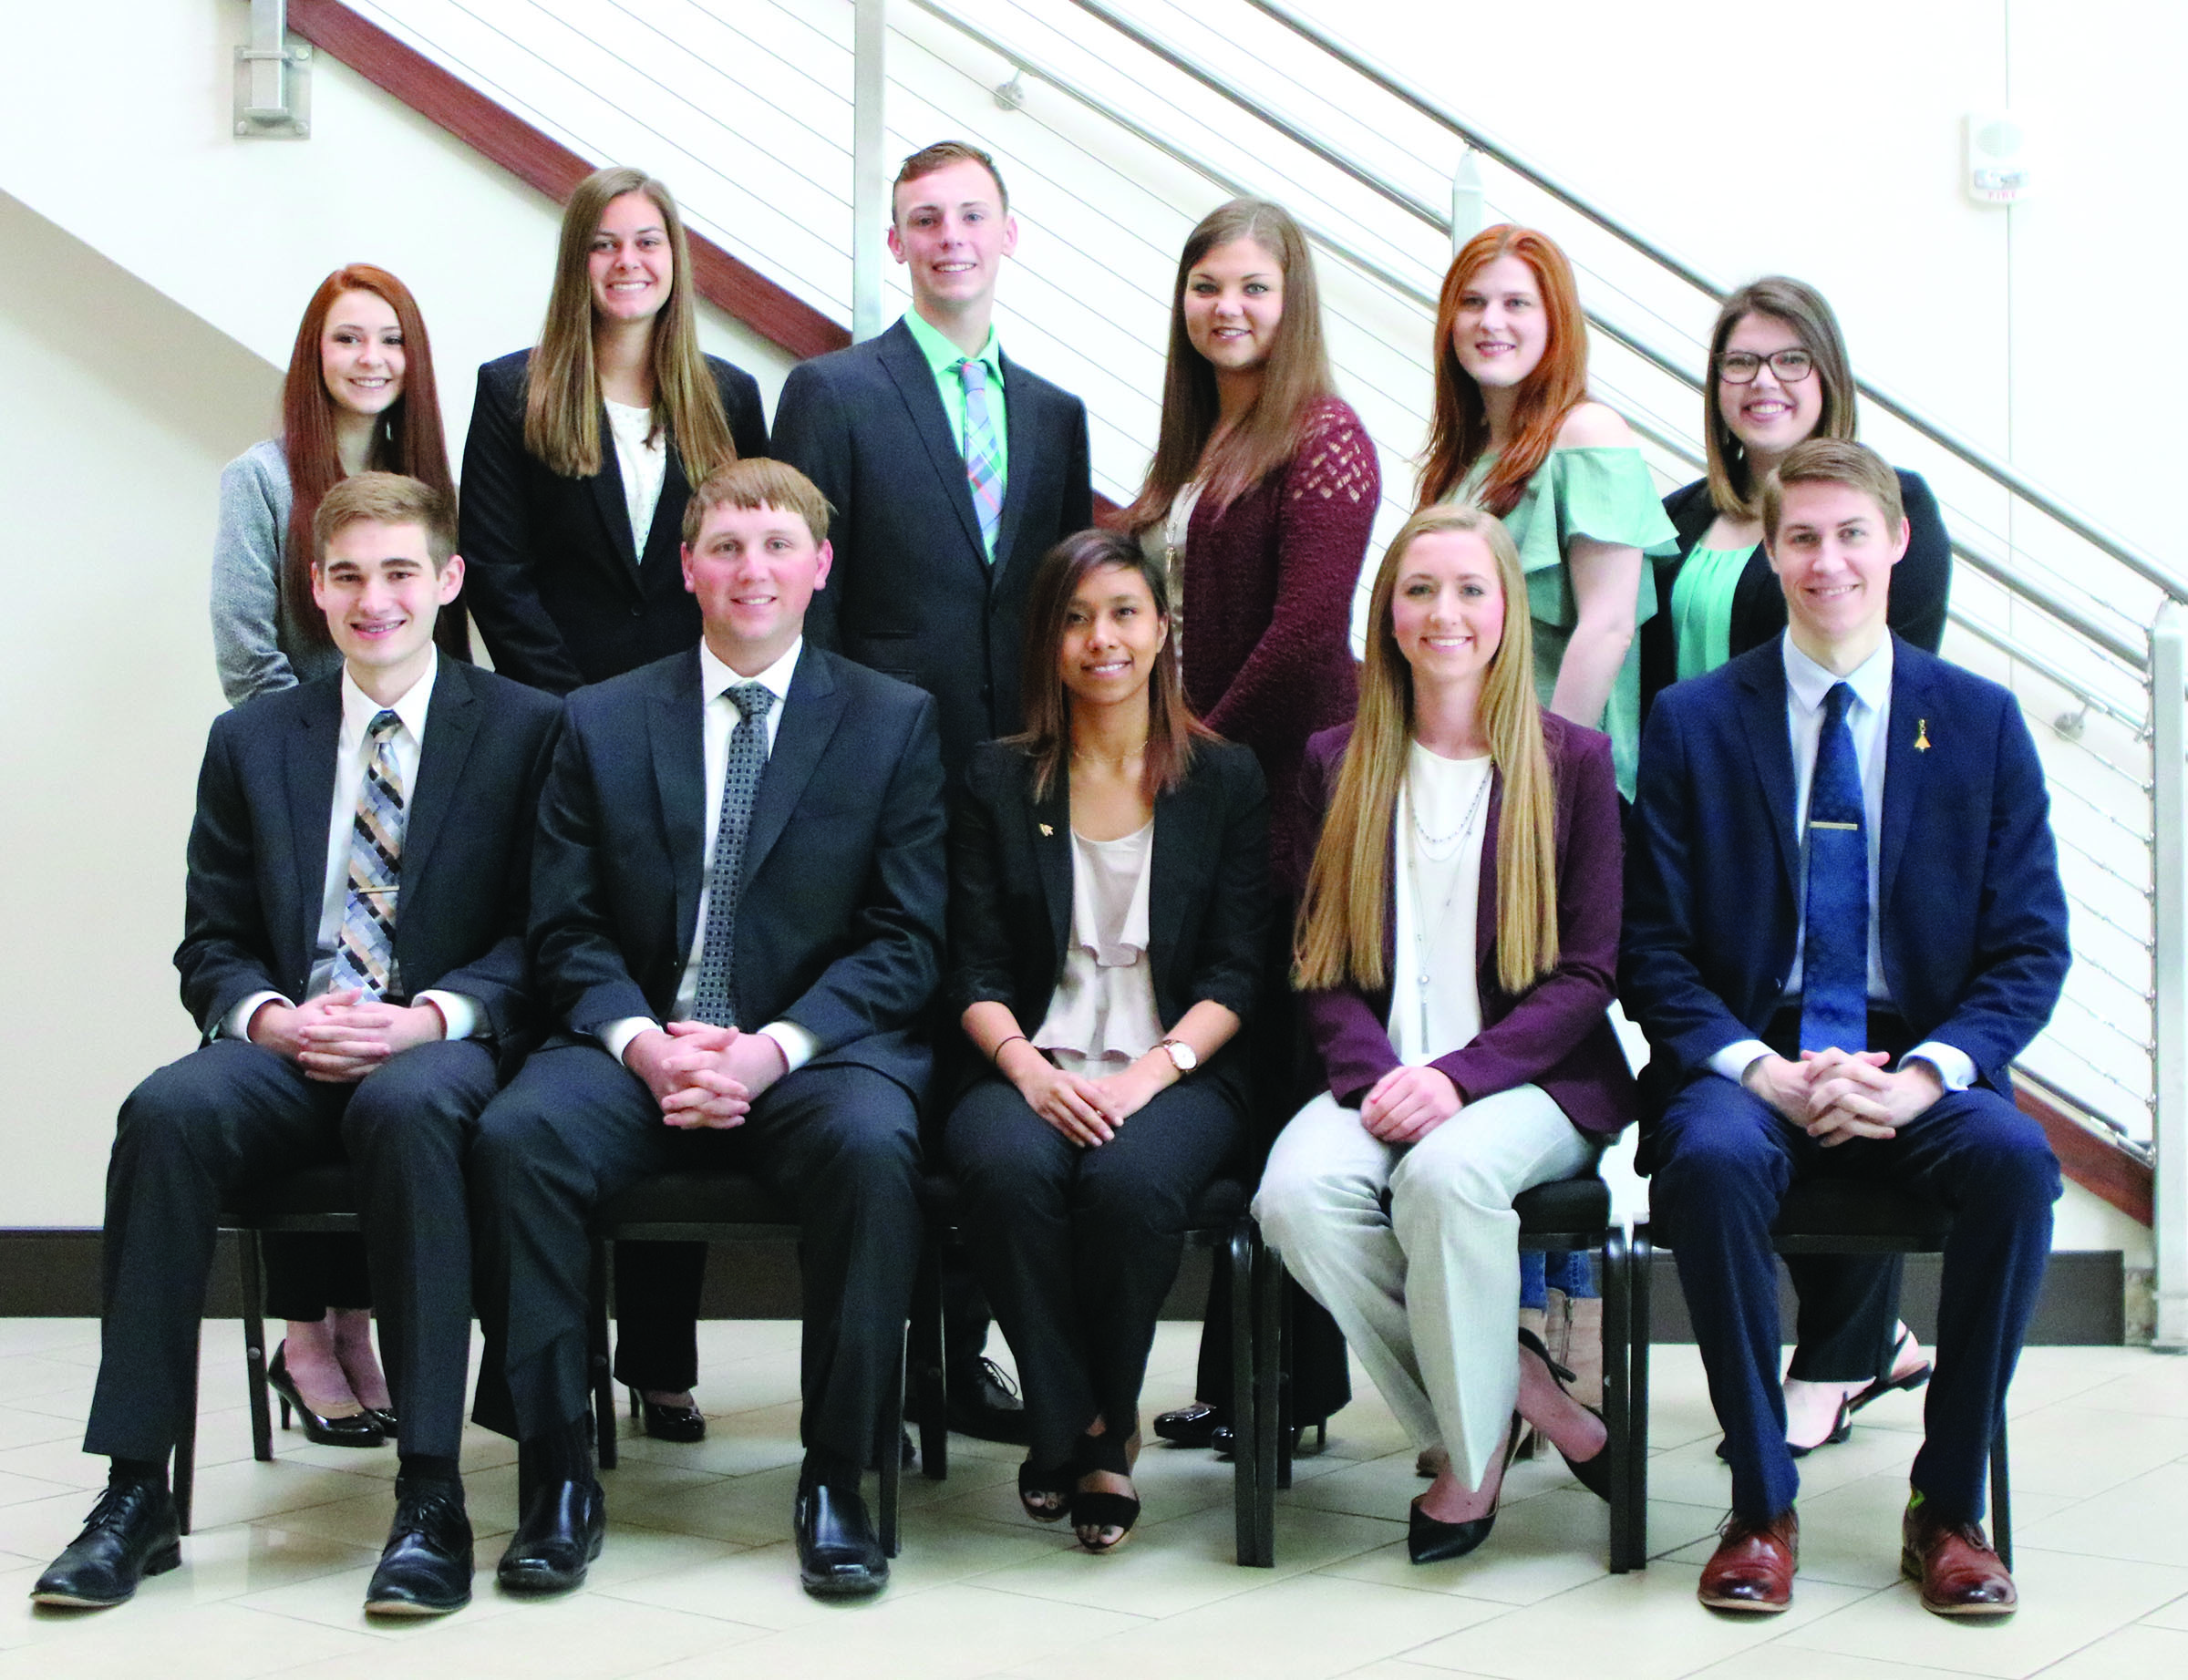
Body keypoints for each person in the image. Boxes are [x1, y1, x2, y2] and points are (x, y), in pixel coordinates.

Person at [33, 474, 561, 1617]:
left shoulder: (525, 729)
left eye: (401, 572)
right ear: (316, 589)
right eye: (351, 575)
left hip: (436, 1042)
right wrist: (270, 1015)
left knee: (409, 1109)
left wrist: (427, 1017)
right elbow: (210, 941)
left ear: (448, 581)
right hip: (289, 1037)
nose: (377, 599)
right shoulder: (251, 738)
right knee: (164, 1112)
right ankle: (135, 1494)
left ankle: (429, 1493)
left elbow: (547, 937)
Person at [468, 459, 945, 1603]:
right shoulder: (597, 719)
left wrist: (769, 1047)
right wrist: (647, 1042)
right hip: (636, 1043)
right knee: (516, 1138)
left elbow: (904, 939)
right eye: (726, 545)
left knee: (875, 1153)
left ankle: (836, 1476)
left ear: (820, 567)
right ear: (686, 567)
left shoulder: (892, 721)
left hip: (808, 1053)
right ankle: (556, 1475)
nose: (752, 568)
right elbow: (565, 929)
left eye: (778, 543)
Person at [1623, 439, 2067, 1618]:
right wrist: (1761, 1069)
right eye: (1803, 536)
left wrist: (1925, 1076)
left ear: (1896, 542)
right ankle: (1760, 1502)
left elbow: (2031, 950)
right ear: (1771, 550)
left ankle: (1949, 1503)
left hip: (1915, 1052)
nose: (1828, 561)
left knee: (2019, 1163)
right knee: (1710, 1159)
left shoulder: (1977, 721)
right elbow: (1654, 953)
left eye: (1851, 533)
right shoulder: (1695, 721)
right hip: (1755, 1047)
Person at [772, 138, 1094, 1442]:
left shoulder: (1059, 413)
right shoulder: (833, 392)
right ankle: (894, 1365)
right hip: (884, 779)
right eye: (924, 219)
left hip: (1020, 781)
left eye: (972, 215)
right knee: (896, 1050)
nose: (950, 236)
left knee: (993, 1041)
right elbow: (818, 603)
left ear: (1010, 235)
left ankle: (971, 1354)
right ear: (894, 243)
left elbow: (1070, 612)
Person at [1254, 503, 1634, 1563]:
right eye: (1420, 590)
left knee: (1445, 1181)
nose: (1445, 612)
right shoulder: (1340, 760)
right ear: (1389, 615)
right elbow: (1317, 959)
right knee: (1293, 1197)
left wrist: (1458, 1082)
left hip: (1533, 1082)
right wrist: (1382, 1075)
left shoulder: (1575, 763)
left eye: (1471, 589)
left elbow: (1591, 972)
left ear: (1508, 611)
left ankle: (1467, 1471)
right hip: (1379, 1076)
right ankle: (1523, 1395)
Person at [459, 166, 769, 1441]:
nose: (629, 262)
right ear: (577, 260)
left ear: (673, 258)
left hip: (699, 741)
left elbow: (741, 567)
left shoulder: (728, 397)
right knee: (583, 1023)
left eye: (648, 242)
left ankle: (662, 1354)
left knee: (690, 1006)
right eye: (607, 244)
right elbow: (500, 572)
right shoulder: (511, 391)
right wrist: (592, 712)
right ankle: (546, 1357)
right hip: (562, 743)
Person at [1644, 276, 1952, 1457]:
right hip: (1707, 855)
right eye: (1738, 362)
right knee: (1741, 1091)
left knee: (1853, 1057)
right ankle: (1872, 1343)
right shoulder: (1680, 516)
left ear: (1827, 373)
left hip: (1843, 843)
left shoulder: (1890, 505)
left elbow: (1891, 680)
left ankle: (1839, 1355)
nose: (1761, 381)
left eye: (1787, 359)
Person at [945, 530, 1267, 1552]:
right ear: (1048, 642)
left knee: (1128, 1186)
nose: (1102, 639)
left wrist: (1150, 1074)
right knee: (1002, 1170)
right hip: (1025, 1057)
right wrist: (1031, 1073)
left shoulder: (1225, 779)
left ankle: (1090, 1432)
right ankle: (1078, 1426)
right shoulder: (997, 779)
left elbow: (1237, 974)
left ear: (1163, 629)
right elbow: (973, 968)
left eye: (1124, 612)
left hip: (1178, 1065)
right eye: (1076, 618)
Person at [1122, 196, 1379, 1457]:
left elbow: (1301, 633)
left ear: (1295, 302)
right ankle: (1240, 1380)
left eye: (1254, 288)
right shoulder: (1196, 439)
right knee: (1235, 1075)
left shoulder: (1324, 435)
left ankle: (1292, 1391)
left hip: (1282, 805)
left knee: (1286, 1083)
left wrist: (1188, 749)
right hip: (1208, 796)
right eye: (1207, 285)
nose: (1228, 307)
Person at [211, 264, 471, 1441]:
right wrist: (331, 746)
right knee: (308, 1042)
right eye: (346, 337)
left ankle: (358, 1321)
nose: (369, 357)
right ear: (315, 353)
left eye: (389, 339)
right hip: (303, 794)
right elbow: (248, 656)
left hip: (414, 798)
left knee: (391, 1064)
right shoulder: (263, 479)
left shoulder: (427, 488)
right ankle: (308, 1333)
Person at [1419, 223, 1677, 800]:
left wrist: (1540, 777)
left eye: (1517, 304)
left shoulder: (1589, 433)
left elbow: (1608, 628)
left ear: (1555, 322)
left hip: (1549, 780)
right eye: (1473, 302)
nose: (1491, 322)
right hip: (1464, 769)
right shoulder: (1461, 459)